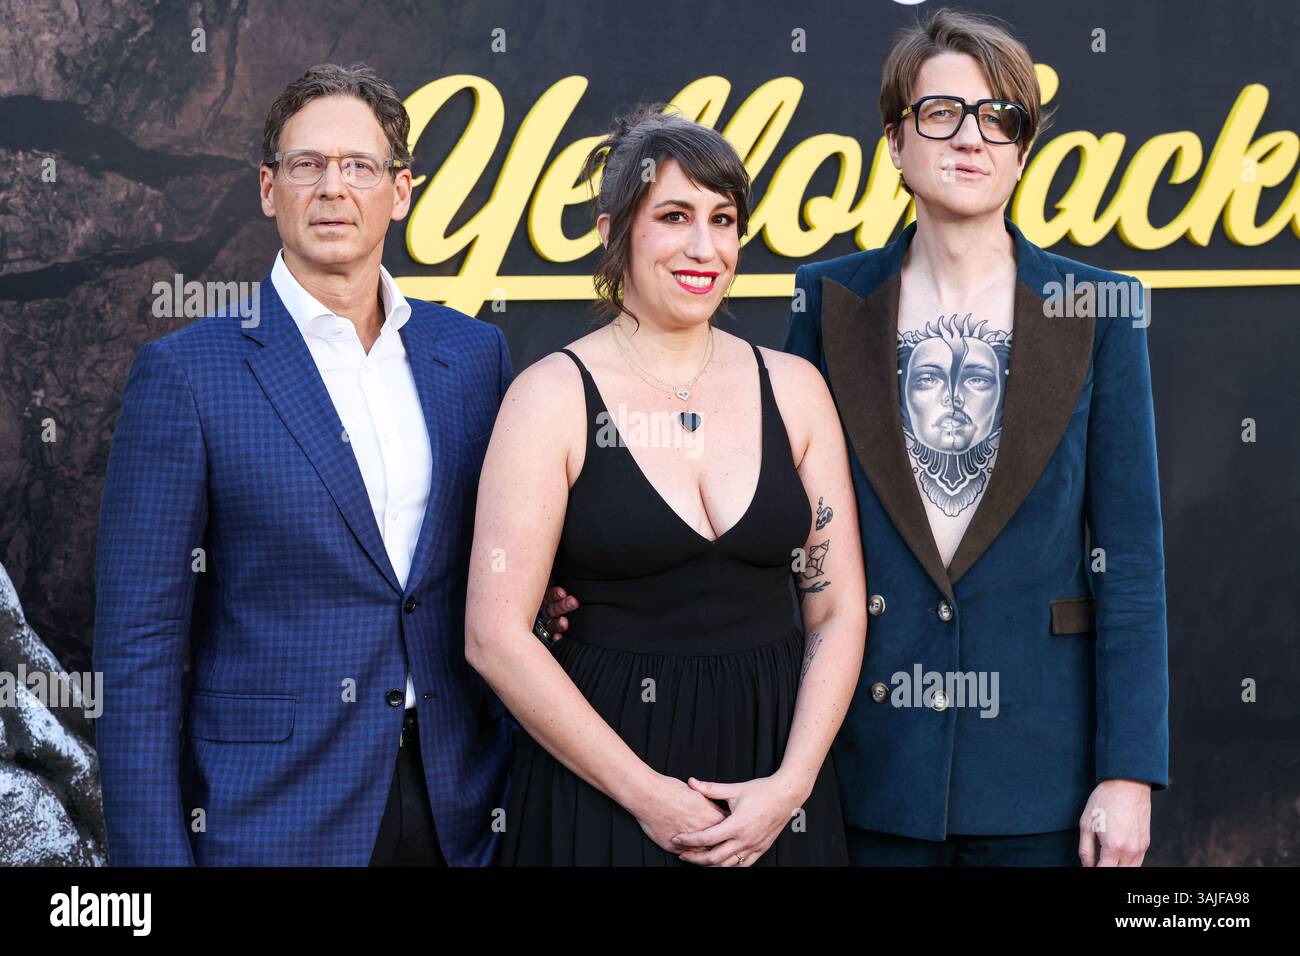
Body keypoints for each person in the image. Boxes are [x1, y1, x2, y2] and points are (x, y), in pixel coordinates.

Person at [547, 7, 1169, 867]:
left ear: (1024, 146)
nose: (972, 139)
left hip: (1046, 775)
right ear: (895, 141)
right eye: (942, 114)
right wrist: (576, 586)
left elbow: (1130, 562)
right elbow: (776, 515)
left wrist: (1128, 771)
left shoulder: (1100, 308)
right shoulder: (827, 302)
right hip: (862, 772)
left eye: (1002, 119)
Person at [94, 63, 514, 866]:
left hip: (459, 806)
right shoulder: (187, 374)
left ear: (402, 192)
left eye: (359, 166)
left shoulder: (472, 356)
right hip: (271, 814)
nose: (332, 188)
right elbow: (138, 653)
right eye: (306, 165)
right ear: (267, 188)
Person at [466, 105, 866, 866]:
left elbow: (839, 609)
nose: (704, 247)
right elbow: (494, 636)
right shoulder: (550, 397)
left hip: (775, 789)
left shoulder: (794, 389)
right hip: (602, 789)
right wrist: (650, 797)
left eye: (724, 219)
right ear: (612, 231)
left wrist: (792, 784)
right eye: (674, 216)